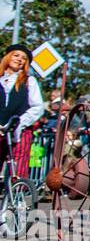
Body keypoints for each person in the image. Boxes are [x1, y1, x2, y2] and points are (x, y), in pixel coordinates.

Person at [0, 44, 45, 183]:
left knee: (18, 168)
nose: (20, 59)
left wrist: (19, 122)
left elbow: (37, 107)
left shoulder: (28, 81)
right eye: (16, 55)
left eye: (24, 58)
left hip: (20, 129)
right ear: (8, 57)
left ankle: (16, 198)